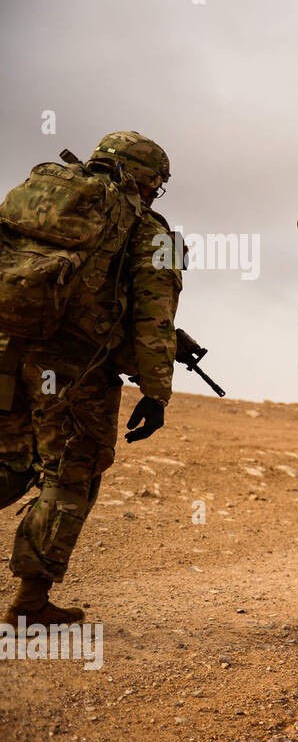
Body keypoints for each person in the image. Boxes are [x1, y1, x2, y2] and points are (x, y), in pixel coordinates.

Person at [0, 131, 181, 627]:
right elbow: (153, 318)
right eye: (155, 184)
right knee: (70, 476)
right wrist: (156, 392)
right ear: (146, 181)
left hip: (5, 346)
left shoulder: (42, 195)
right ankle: (30, 605)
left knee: (10, 462)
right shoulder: (151, 231)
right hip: (70, 372)